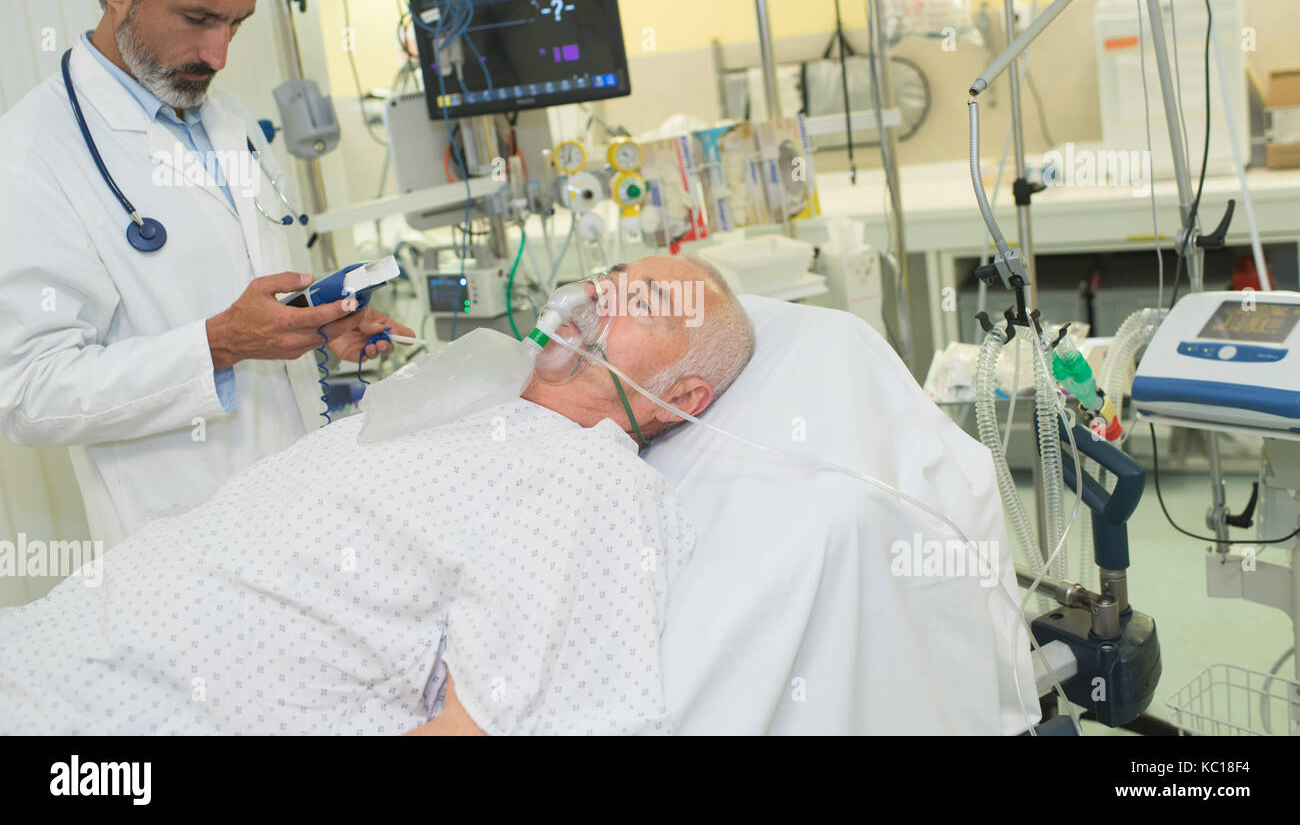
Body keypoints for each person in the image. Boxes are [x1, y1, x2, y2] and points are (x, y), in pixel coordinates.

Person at [0, 258, 757, 735]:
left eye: (645, 304)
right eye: (611, 276)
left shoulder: (593, 482)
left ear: (677, 397)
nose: (598, 296)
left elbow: (487, 725)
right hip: (60, 646)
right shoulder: (474, 406)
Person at [0, 0, 411, 549]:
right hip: (185, 550)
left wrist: (311, 331)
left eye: (236, 24)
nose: (218, 53)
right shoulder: (30, 154)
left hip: (307, 503)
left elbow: (244, 289)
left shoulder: (223, 116)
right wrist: (218, 343)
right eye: (198, 19)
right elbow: (28, 392)